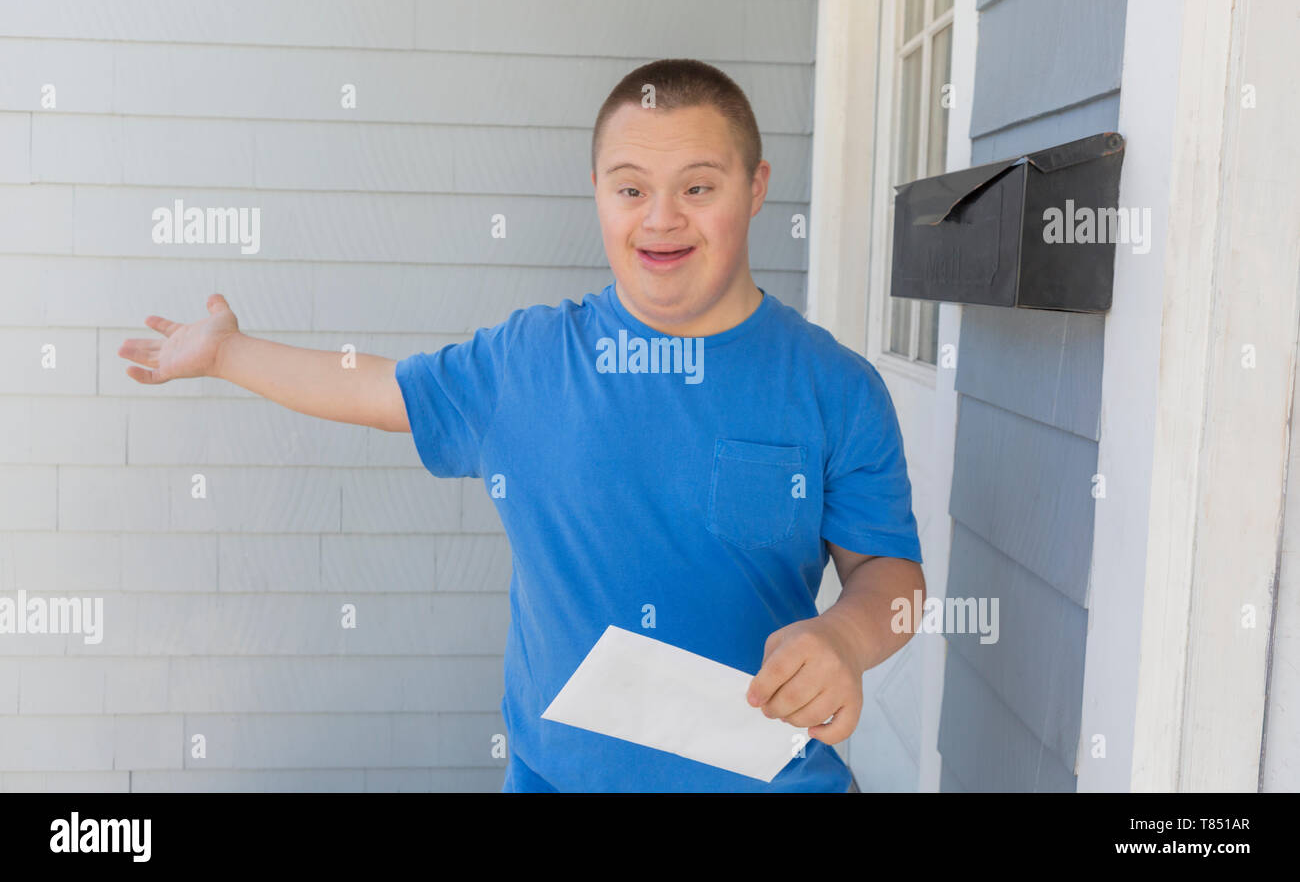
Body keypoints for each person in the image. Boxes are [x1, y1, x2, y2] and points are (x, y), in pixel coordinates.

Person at [118, 58, 926, 792]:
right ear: (598, 192)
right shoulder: (528, 362)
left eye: (700, 186)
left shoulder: (836, 388)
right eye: (631, 187)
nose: (662, 218)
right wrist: (228, 353)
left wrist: (848, 641)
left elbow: (891, 578)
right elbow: (371, 389)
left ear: (755, 189)